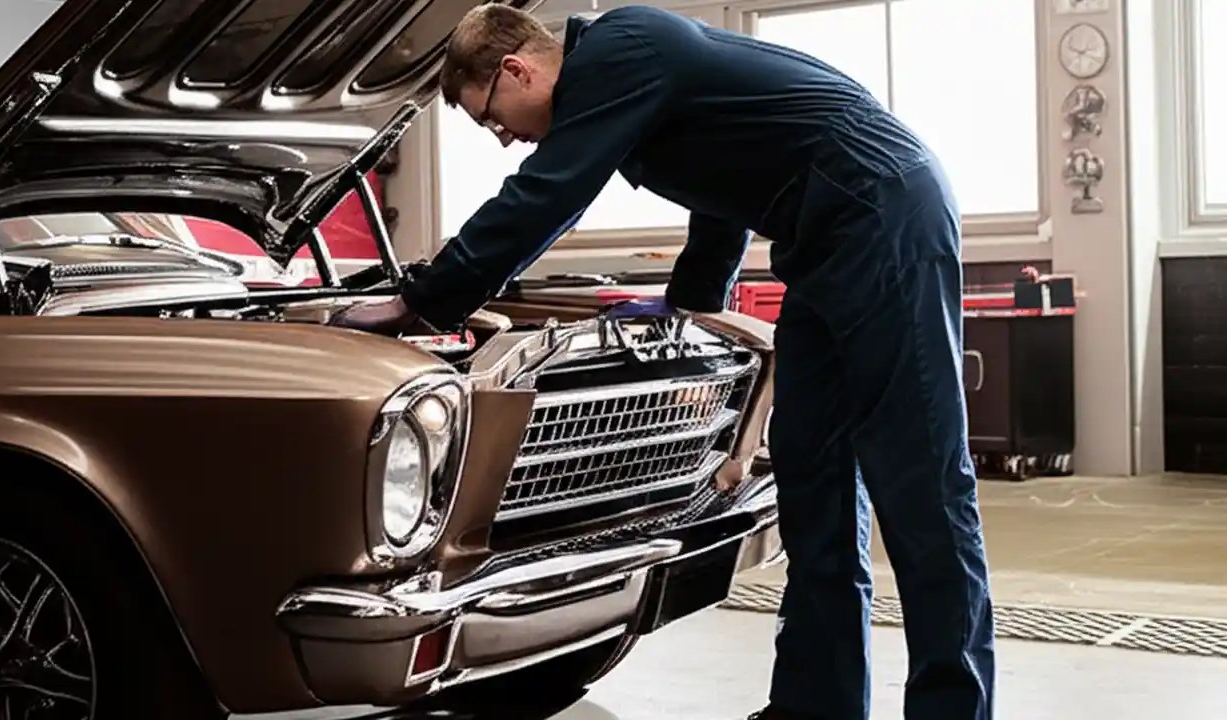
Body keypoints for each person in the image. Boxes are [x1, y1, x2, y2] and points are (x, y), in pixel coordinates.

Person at [332, 4, 995, 719]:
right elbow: (725, 179)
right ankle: (816, 705)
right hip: (825, 239)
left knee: (921, 476)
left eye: (491, 118)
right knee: (814, 478)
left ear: (516, 69)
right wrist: (692, 300)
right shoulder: (632, 68)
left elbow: (548, 196)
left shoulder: (622, 49)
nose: (502, 140)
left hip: (884, 210)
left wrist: (421, 303)